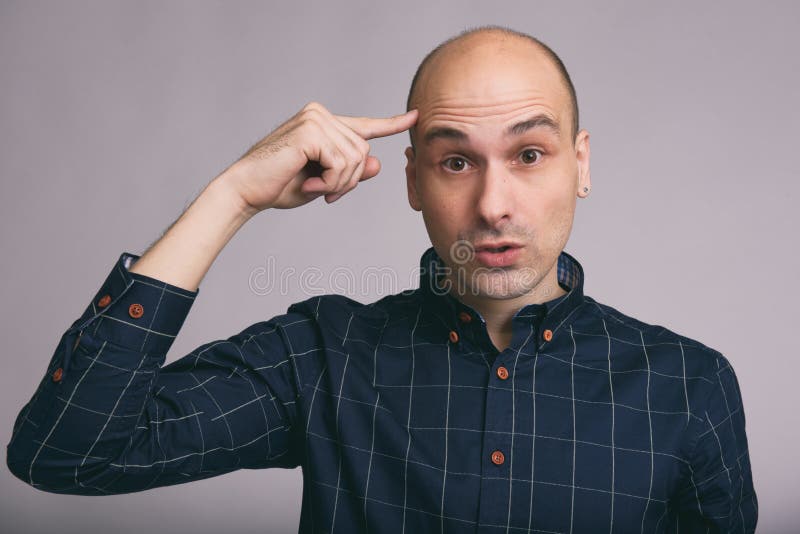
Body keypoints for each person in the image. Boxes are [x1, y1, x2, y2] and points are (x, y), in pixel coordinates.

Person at [6, 25, 757, 533]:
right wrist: (231, 195)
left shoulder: (689, 385)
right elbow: (67, 455)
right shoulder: (325, 354)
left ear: (581, 163)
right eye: (456, 161)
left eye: (529, 154)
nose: (494, 206)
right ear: (413, 180)